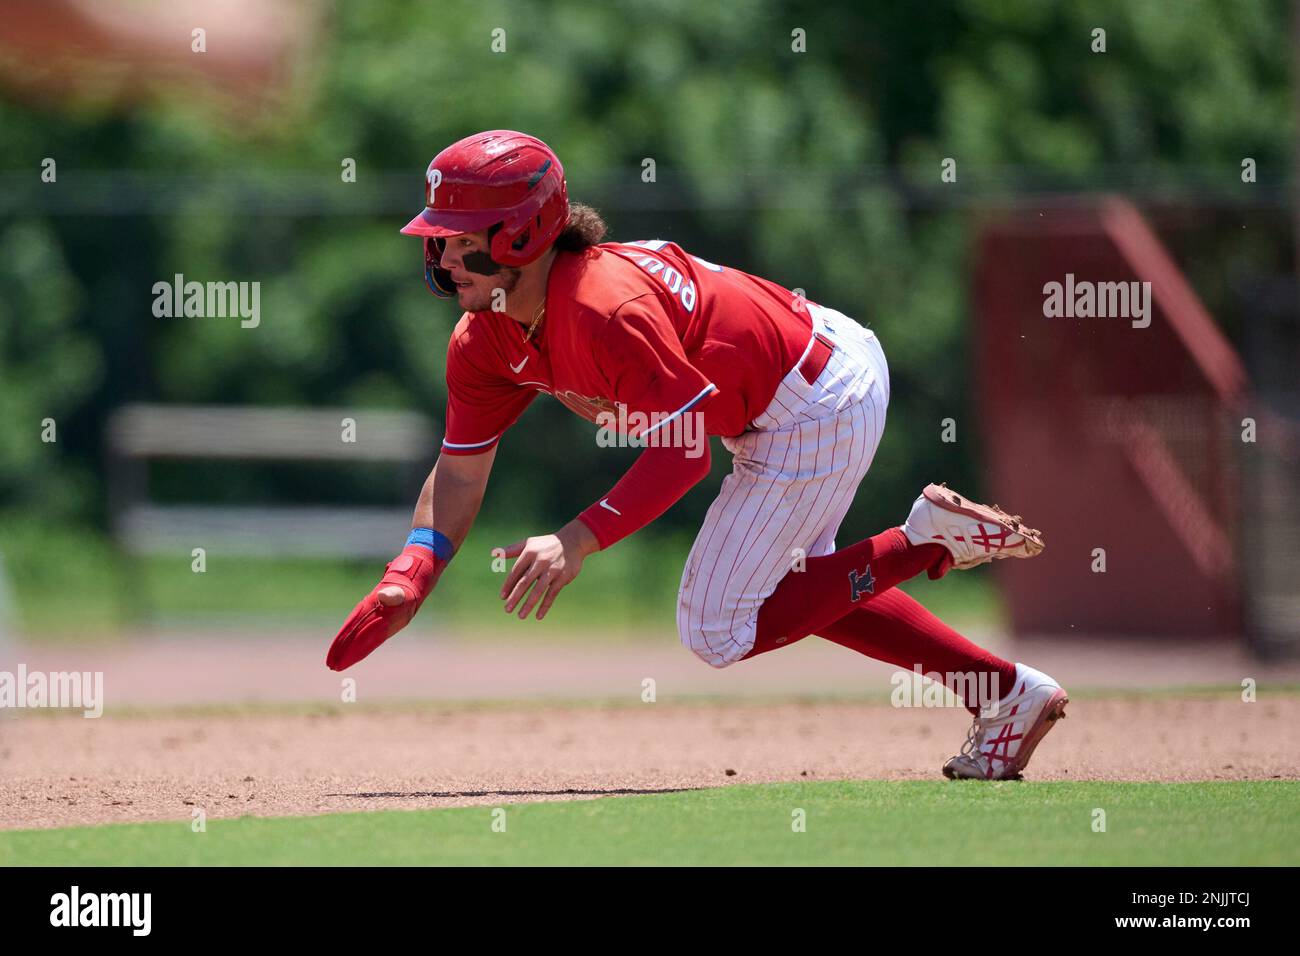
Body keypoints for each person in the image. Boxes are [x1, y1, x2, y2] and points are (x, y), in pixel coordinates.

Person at [325, 130, 1069, 780]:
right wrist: (414, 570)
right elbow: (459, 469)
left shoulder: (603, 310)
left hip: (811, 397)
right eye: (439, 236)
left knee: (715, 628)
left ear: (522, 234)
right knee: (798, 587)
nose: (443, 254)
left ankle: (923, 541)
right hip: (789, 388)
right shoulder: (485, 335)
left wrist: (576, 539)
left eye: (462, 237)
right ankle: (1003, 693)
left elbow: (683, 455)